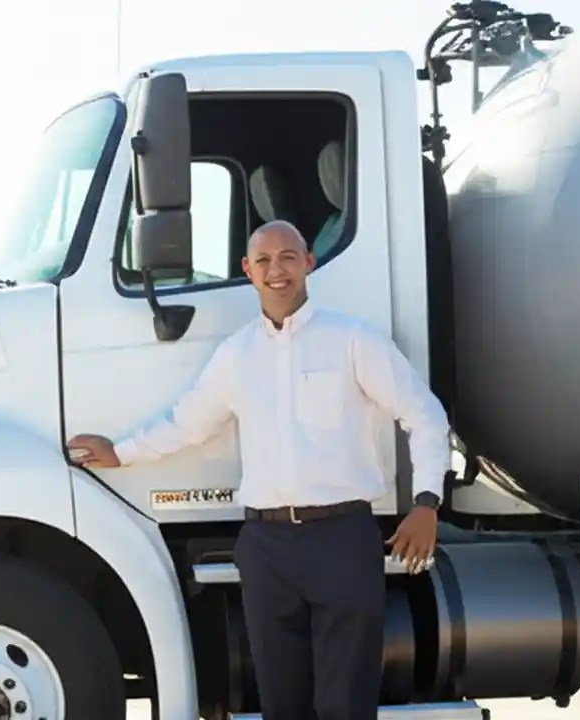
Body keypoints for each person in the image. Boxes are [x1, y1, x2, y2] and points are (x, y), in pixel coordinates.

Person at [67, 219, 450, 720]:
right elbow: (187, 424)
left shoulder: (353, 340)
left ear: (309, 263)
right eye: (264, 260)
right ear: (248, 270)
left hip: (343, 539)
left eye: (288, 257)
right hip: (266, 549)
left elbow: (425, 415)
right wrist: (121, 452)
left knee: (346, 703)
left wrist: (427, 502)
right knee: (280, 704)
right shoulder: (236, 355)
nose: (277, 270)